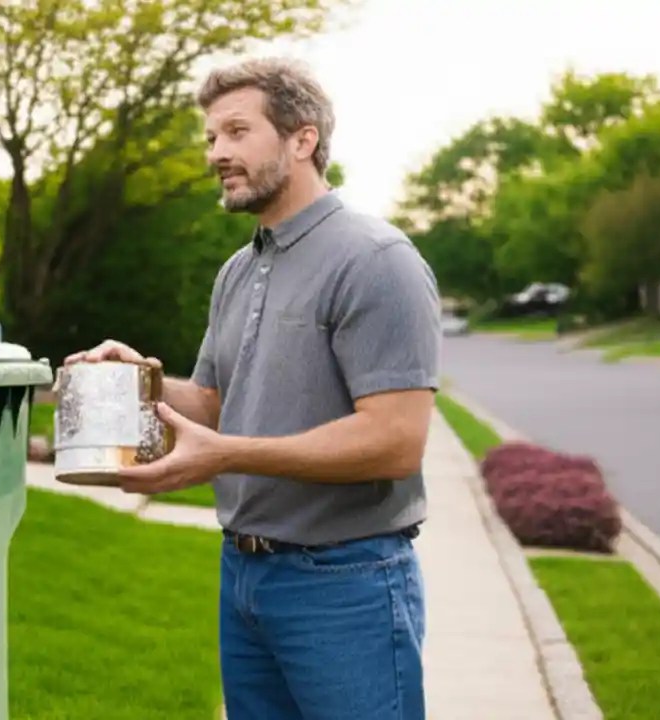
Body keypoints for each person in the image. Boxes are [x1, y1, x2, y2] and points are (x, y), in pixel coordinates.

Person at [62, 57, 441, 720]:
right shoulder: (239, 270)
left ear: (303, 140)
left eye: (237, 132)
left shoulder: (375, 260)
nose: (217, 153)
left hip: (345, 581)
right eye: (211, 137)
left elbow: (394, 442)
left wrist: (227, 455)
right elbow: (211, 403)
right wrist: (138, 379)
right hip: (245, 576)